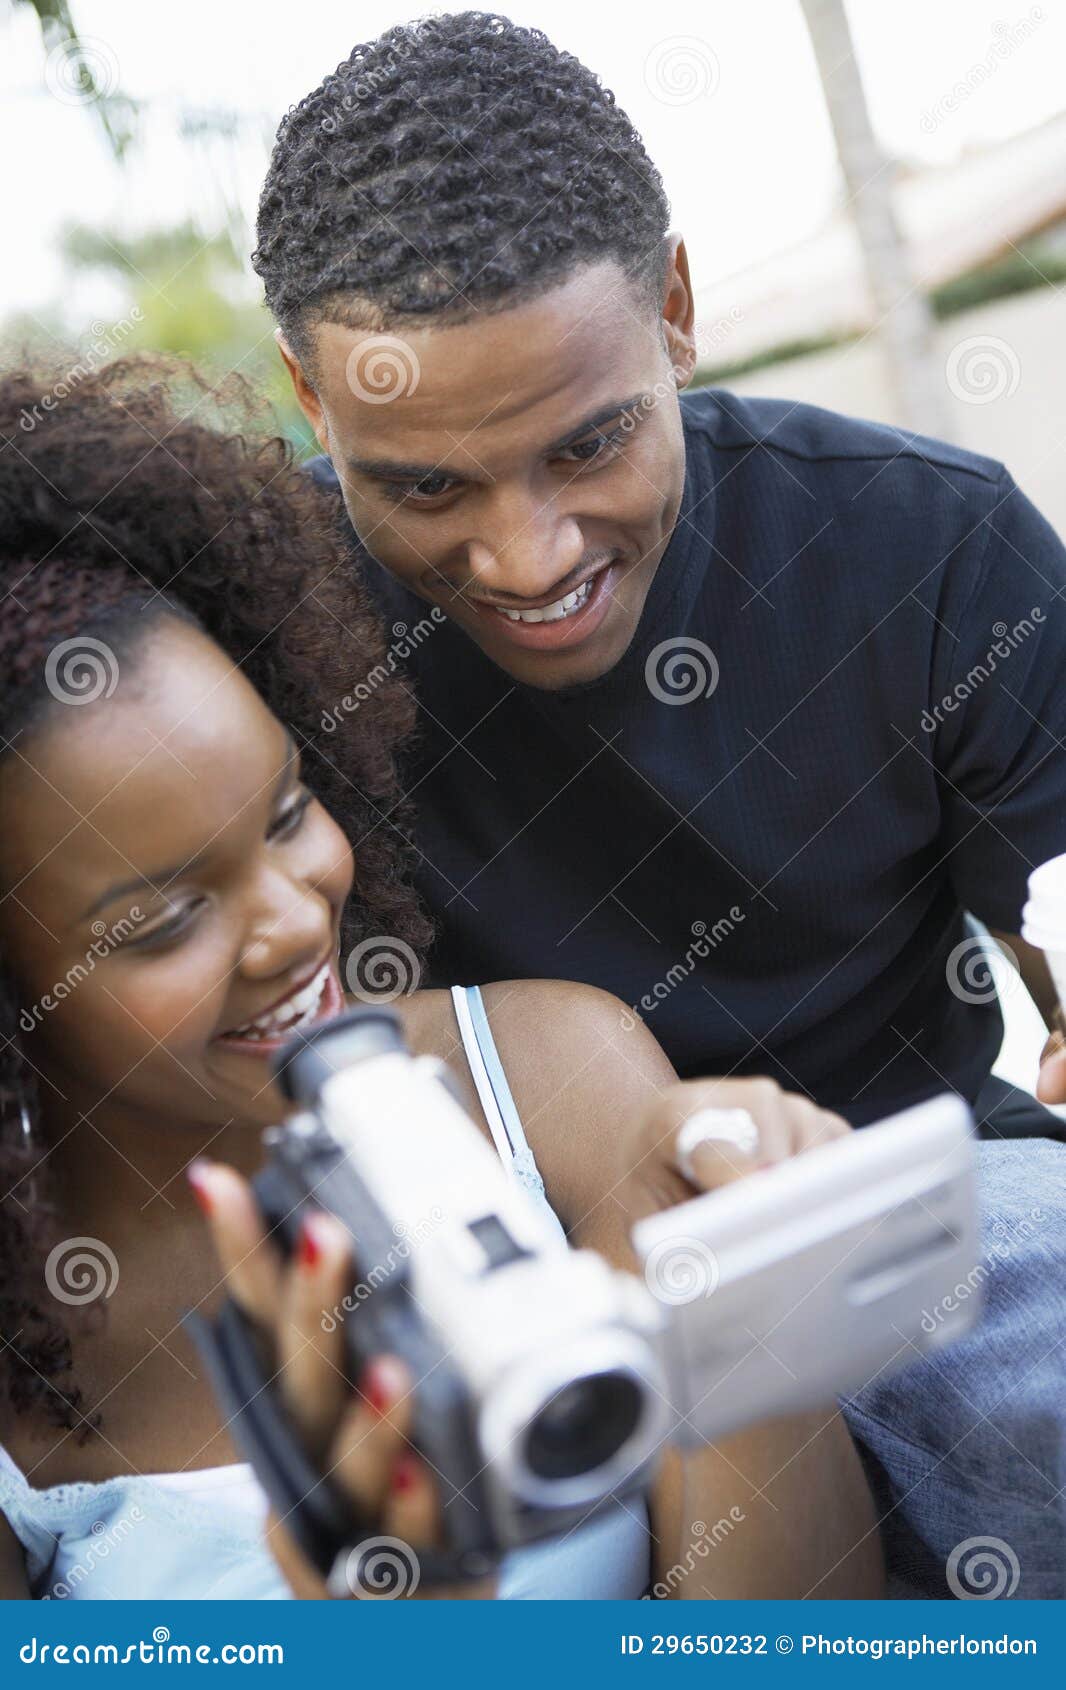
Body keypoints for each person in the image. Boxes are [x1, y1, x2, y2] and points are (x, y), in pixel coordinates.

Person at [0, 358, 879, 1601]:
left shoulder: (552, 1080)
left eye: (288, 811)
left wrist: (749, 1297)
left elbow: (789, 1647)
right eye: (162, 918)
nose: (291, 924)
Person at [254, 11, 1066, 1136]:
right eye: (430, 488)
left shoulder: (933, 547)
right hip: (485, 1260)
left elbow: (1055, 927)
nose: (529, 560)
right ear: (312, 400)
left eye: (586, 448)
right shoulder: (245, 631)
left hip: (923, 1180)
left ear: (674, 313)